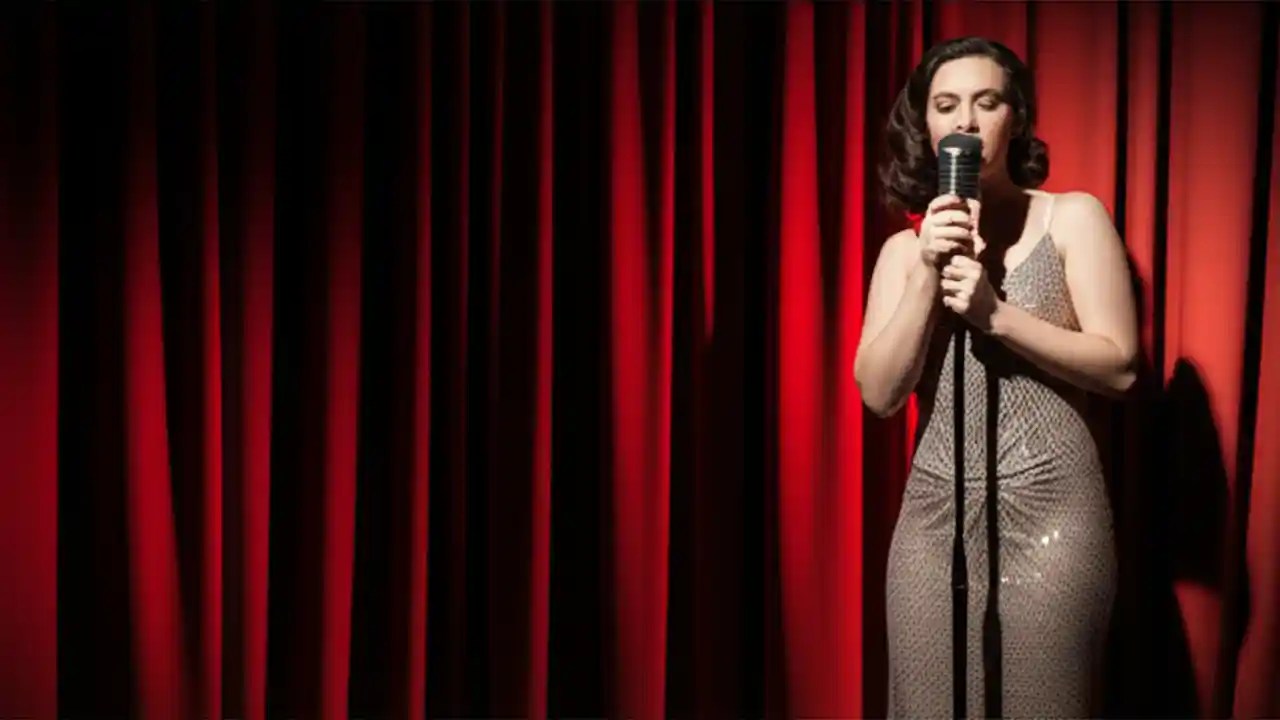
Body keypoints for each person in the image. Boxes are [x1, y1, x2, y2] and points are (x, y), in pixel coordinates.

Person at [854, 36, 1139, 718]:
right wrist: (928, 268)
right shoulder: (903, 251)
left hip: (1055, 519)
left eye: (987, 102)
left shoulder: (1072, 216)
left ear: (1018, 118)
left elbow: (1121, 366)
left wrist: (994, 314)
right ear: (925, 125)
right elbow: (880, 393)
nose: (966, 123)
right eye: (946, 105)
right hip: (932, 525)